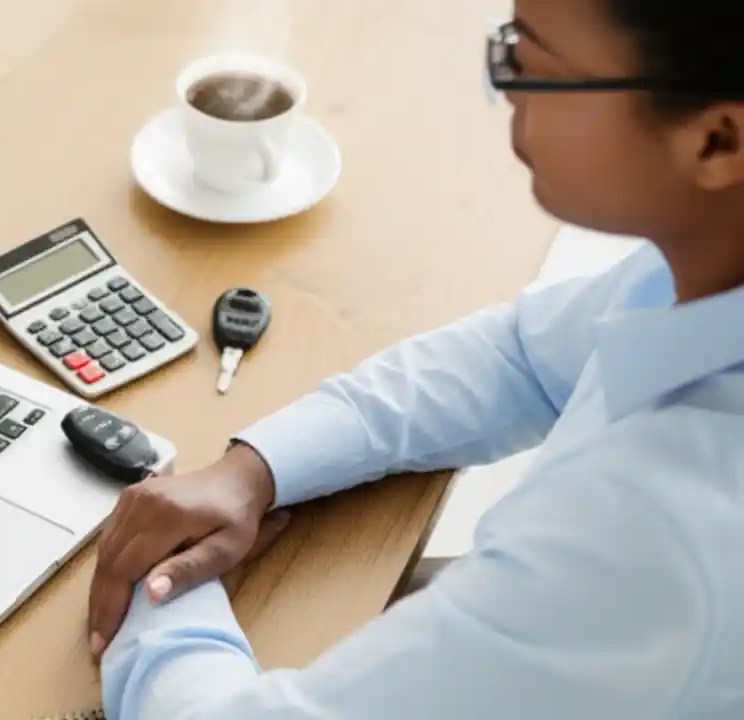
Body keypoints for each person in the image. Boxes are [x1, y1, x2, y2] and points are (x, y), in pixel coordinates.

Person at [90, 0, 744, 717]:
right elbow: (522, 358)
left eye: (532, 65)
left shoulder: (649, 536)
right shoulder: (699, 271)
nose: (508, 94)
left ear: (717, 141)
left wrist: (158, 590)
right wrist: (257, 469)